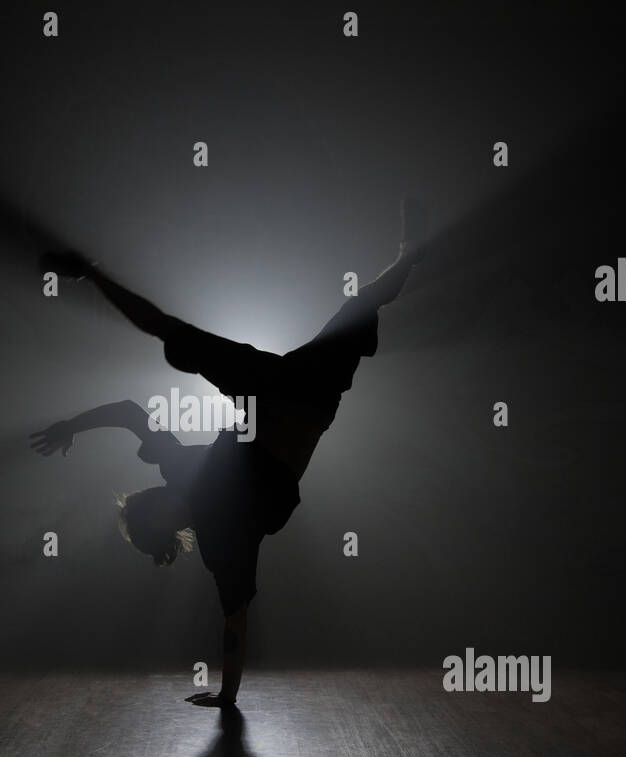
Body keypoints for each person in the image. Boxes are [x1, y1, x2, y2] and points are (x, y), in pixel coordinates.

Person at [31, 199, 423, 706]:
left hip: (263, 393)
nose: (157, 495)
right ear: (165, 527)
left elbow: (130, 412)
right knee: (360, 307)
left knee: (171, 334)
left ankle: (89, 273)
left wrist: (73, 425)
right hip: (304, 397)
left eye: (150, 497)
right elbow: (235, 620)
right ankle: (409, 256)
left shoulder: (180, 472)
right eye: (153, 507)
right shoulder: (222, 544)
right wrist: (227, 695)